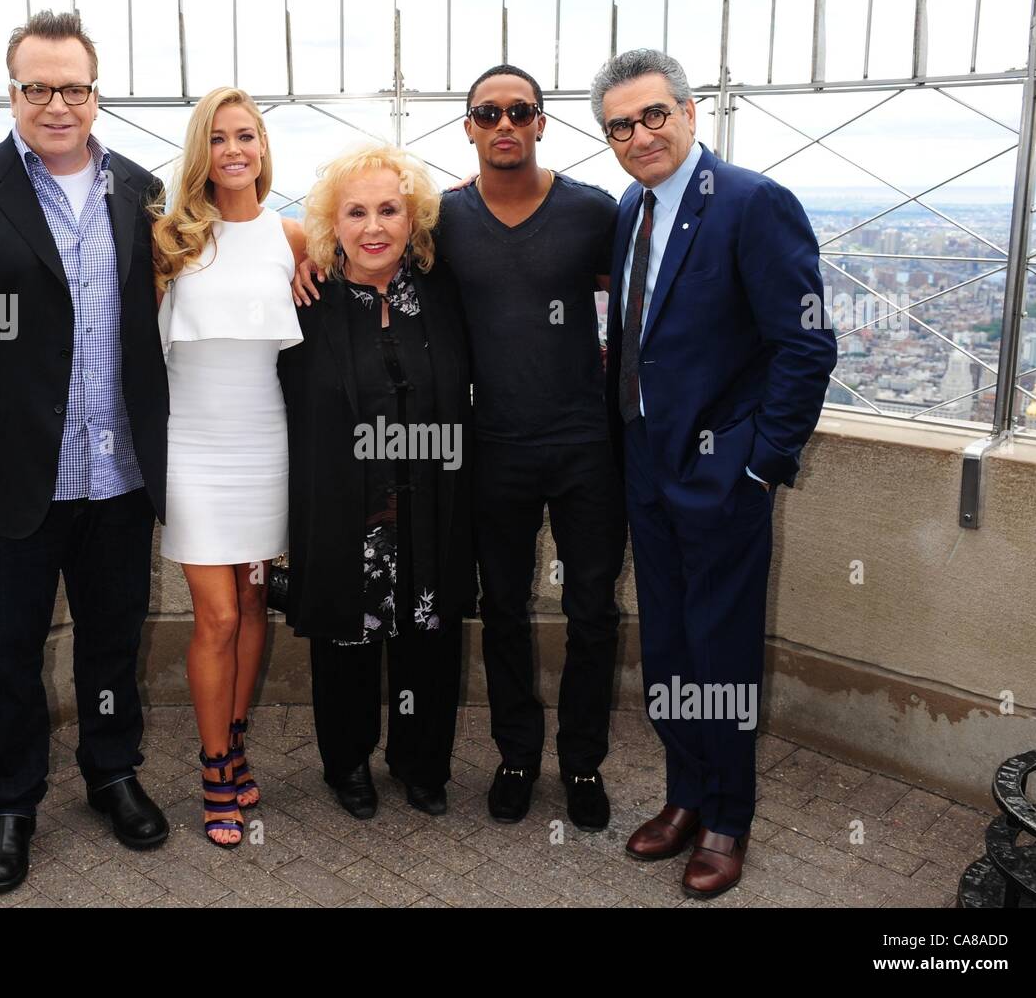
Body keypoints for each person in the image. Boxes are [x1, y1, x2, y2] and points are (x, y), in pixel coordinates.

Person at [0, 11, 170, 894]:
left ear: (97, 92)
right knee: (9, 650)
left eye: (75, 88)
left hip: (120, 473)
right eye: (38, 88)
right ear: (10, 91)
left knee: (110, 641)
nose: (58, 105)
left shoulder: (140, 187)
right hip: (11, 472)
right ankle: (9, 806)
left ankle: (111, 773)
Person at [594, 49, 837, 898]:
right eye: (621, 125)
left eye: (654, 114)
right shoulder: (632, 207)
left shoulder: (751, 202)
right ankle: (685, 796)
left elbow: (806, 344)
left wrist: (762, 466)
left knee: (722, 652)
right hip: (647, 470)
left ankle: (729, 817)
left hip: (724, 476)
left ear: (691, 113)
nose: (640, 134)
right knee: (667, 646)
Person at [438, 65, 626, 833]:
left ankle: (582, 760)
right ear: (471, 127)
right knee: (503, 607)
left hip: (587, 444)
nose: (505, 123)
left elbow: (643, 306)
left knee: (593, 609)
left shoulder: (592, 210)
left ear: (543, 122)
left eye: (521, 110)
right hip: (494, 445)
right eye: (490, 112)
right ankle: (517, 754)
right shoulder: (443, 218)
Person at [278, 144, 472, 821]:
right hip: (342, 507)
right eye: (354, 211)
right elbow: (226, 225)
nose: (373, 226)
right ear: (331, 223)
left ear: (413, 217)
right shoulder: (306, 297)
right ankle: (348, 762)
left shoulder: (446, 291)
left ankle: (422, 763)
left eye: (389, 208)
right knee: (346, 645)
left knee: (431, 638)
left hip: (432, 504)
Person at [150, 87, 306, 849]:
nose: (236, 150)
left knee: (250, 609)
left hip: (266, 442)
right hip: (193, 448)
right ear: (200, 152)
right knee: (214, 614)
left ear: (263, 147)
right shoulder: (169, 239)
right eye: (219, 138)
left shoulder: (295, 237)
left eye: (247, 135)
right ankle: (215, 768)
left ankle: (236, 738)